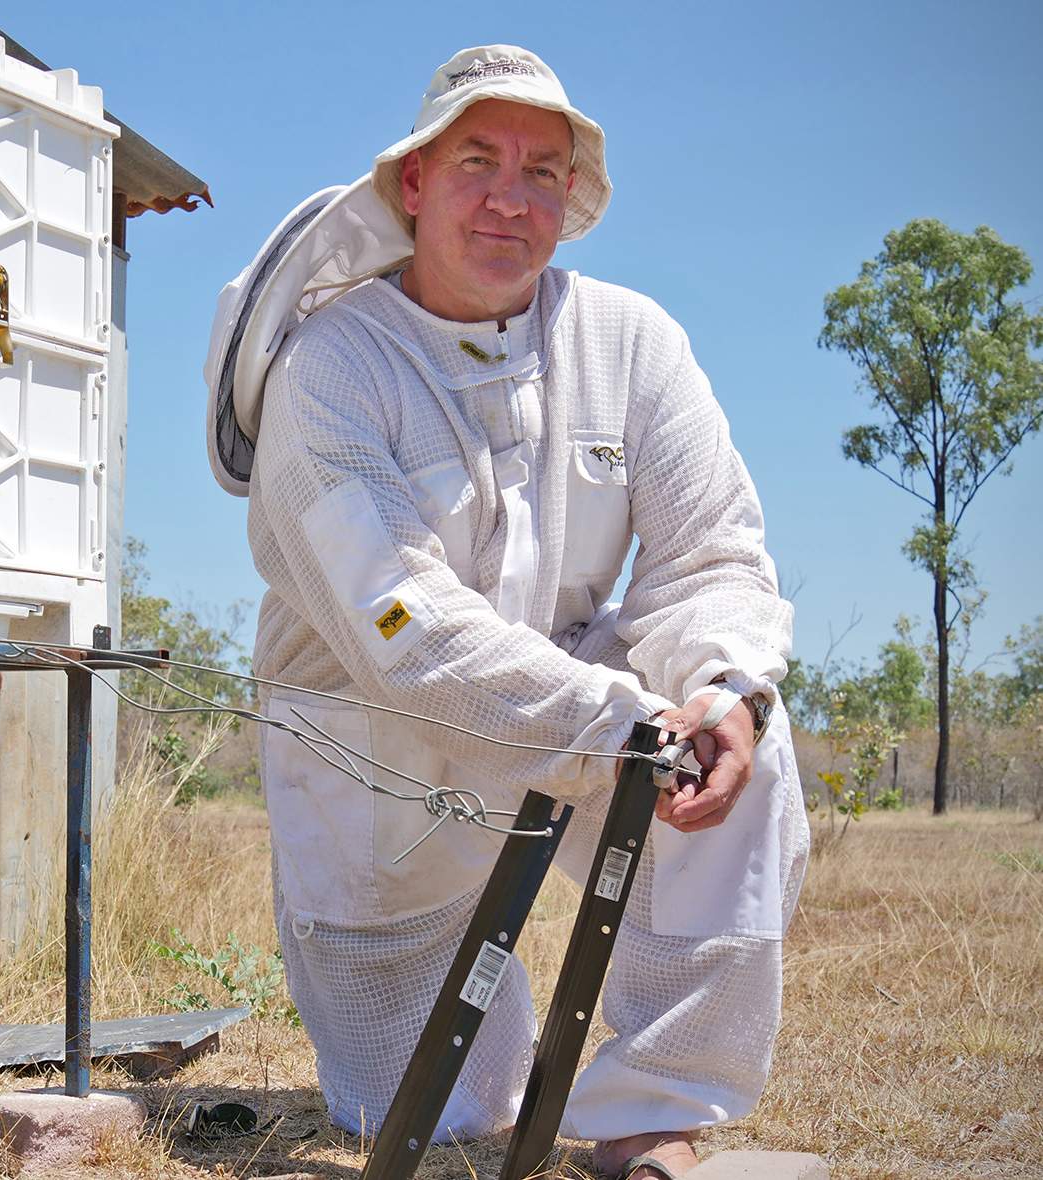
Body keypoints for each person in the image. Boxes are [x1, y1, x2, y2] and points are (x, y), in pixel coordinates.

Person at [201, 44, 809, 1180]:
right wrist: (618, 726)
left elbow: (714, 554)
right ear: (414, 185)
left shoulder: (633, 342)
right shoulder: (330, 367)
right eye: (478, 160)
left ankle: (651, 1114)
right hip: (373, 746)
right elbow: (404, 626)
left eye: (541, 172)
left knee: (742, 735)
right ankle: (462, 1061)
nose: (508, 197)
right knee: (438, 1115)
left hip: (585, 695)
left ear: (570, 204)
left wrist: (721, 685)